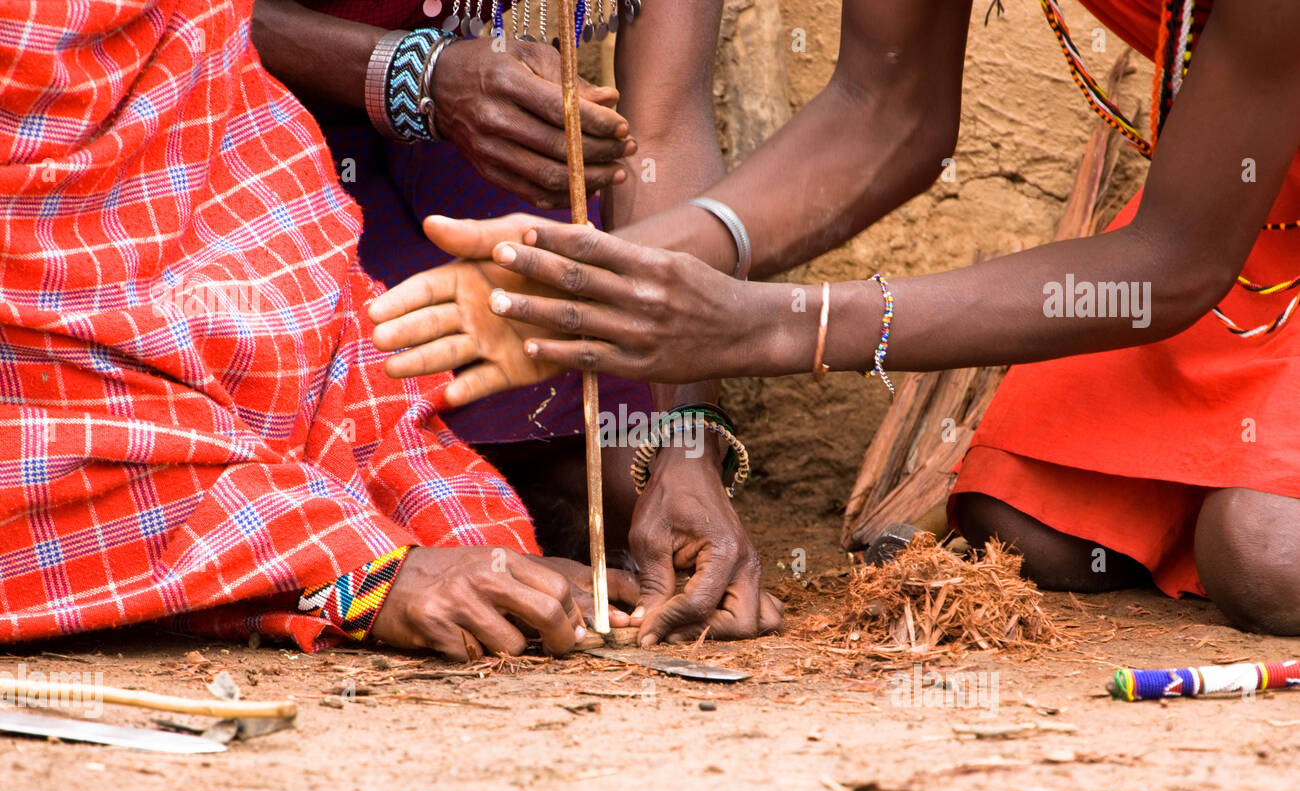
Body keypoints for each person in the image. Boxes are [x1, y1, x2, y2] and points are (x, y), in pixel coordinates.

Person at [370, 0, 1300, 636]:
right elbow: (883, 112)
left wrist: (769, 327)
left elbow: (1172, 263)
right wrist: (602, 281)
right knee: (1030, 531)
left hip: (1205, 233)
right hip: (1252, 202)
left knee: (1261, 552)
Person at [0, 0, 642, 660]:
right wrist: (359, 577)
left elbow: (342, 376)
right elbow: (46, 469)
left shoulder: (194, 39)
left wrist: (481, 546)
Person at [251, 0, 782, 647]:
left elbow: (661, 131)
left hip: (462, 138)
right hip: (213, 125)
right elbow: (161, 21)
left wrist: (684, 443)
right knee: (303, 411)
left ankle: (517, 484)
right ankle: (401, 549)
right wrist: (415, 76)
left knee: (638, 477)